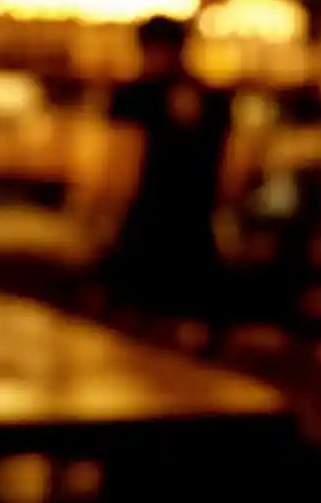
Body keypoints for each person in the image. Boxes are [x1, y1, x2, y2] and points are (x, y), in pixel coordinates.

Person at [99, 16, 232, 331]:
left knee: (132, 338)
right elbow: (233, 172)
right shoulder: (212, 98)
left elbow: (119, 166)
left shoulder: (134, 96)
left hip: (142, 234)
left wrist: (98, 220)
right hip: (196, 236)